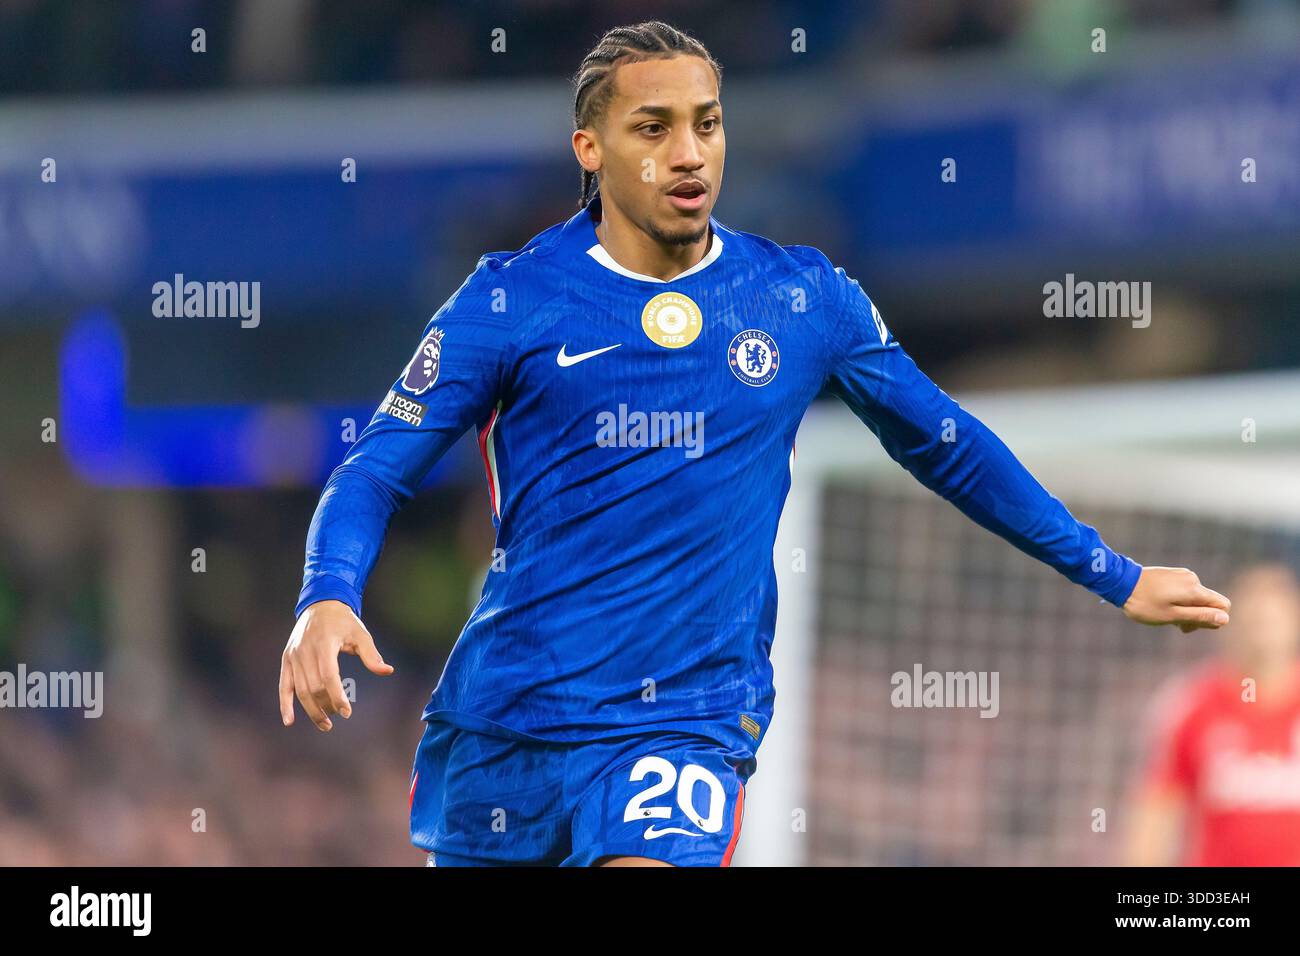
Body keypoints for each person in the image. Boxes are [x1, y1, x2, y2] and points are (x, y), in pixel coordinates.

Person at [279, 21, 1230, 867]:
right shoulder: (508, 301)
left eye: (708, 121)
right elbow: (373, 470)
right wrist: (326, 597)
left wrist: (1112, 572)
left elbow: (948, 444)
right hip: (510, 721)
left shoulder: (803, 298)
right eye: (653, 129)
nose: (689, 152)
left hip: (685, 721)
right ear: (591, 148)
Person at [1125, 563, 1299, 866]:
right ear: (1231, 622)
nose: (1264, 629)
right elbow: (1157, 810)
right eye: (1255, 618)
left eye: (1273, 618)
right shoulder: (1193, 704)